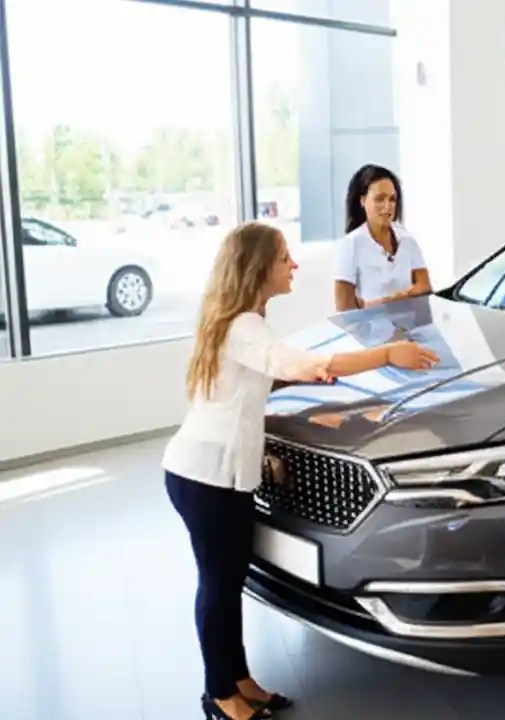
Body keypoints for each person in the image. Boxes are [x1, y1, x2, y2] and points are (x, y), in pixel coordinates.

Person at [162, 221, 439, 720]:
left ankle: (239, 679)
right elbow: (302, 365)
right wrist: (388, 354)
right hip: (206, 477)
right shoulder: (244, 326)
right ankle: (219, 696)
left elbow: (253, 394)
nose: (293, 265)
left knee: (227, 580)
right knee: (218, 586)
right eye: (284, 257)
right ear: (258, 267)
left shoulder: (236, 321)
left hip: (210, 473)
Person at [334, 164, 432, 311]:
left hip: (409, 329)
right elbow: (344, 309)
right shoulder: (350, 245)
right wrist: (408, 295)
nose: (388, 207)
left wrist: (385, 302)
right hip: (371, 331)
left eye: (392, 199)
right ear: (362, 201)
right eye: (379, 199)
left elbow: (425, 288)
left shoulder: (407, 240)